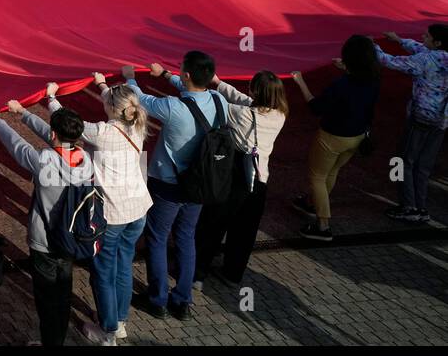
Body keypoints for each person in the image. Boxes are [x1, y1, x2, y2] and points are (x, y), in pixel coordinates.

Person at [124, 52, 225, 320]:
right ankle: (182, 300)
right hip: (201, 183)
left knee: (157, 238)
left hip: (167, 184)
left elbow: (140, 99)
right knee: (186, 237)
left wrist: (130, 78)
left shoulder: (172, 107)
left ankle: (157, 299)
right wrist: (167, 75)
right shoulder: (219, 100)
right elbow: (194, 93)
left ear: (188, 74)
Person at [0, 99, 96, 346]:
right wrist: (24, 113)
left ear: (53, 133)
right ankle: (56, 338)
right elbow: (58, 143)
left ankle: (51, 343)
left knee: (47, 301)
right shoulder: (85, 159)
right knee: (62, 294)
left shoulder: (44, 161)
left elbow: (17, 145)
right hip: (71, 239)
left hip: (45, 242)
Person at [56, 76, 152, 343]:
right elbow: (119, 101)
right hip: (138, 209)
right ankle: (120, 321)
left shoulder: (102, 132)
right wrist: (102, 85)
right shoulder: (137, 124)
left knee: (103, 272)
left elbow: (68, 124)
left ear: (110, 106)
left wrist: (52, 99)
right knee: (124, 265)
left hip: (113, 215)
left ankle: (107, 331)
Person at [194, 71, 288, 284]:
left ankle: (198, 272)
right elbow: (244, 100)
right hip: (259, 181)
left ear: (255, 91)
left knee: (213, 223)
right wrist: (218, 82)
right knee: (245, 230)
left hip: (235, 178)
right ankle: (233, 273)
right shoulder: (279, 114)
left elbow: (218, 104)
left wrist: (205, 86)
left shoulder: (241, 114)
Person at [290, 35, 382, 241]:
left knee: (317, 177)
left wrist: (300, 82)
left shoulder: (341, 85)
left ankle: (323, 225)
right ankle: (313, 204)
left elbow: (315, 107)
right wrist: (347, 69)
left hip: (332, 137)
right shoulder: (373, 79)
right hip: (356, 137)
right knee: (331, 172)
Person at [377, 26, 448, 224]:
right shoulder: (441, 57)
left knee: (401, 161)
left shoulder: (425, 60)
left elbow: (389, 61)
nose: (422, 36)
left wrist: (370, 47)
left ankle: (407, 205)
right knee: (423, 166)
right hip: (440, 122)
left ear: (437, 43)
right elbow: (419, 48)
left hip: (420, 118)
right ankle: (421, 207)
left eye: (427, 36)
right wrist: (399, 40)